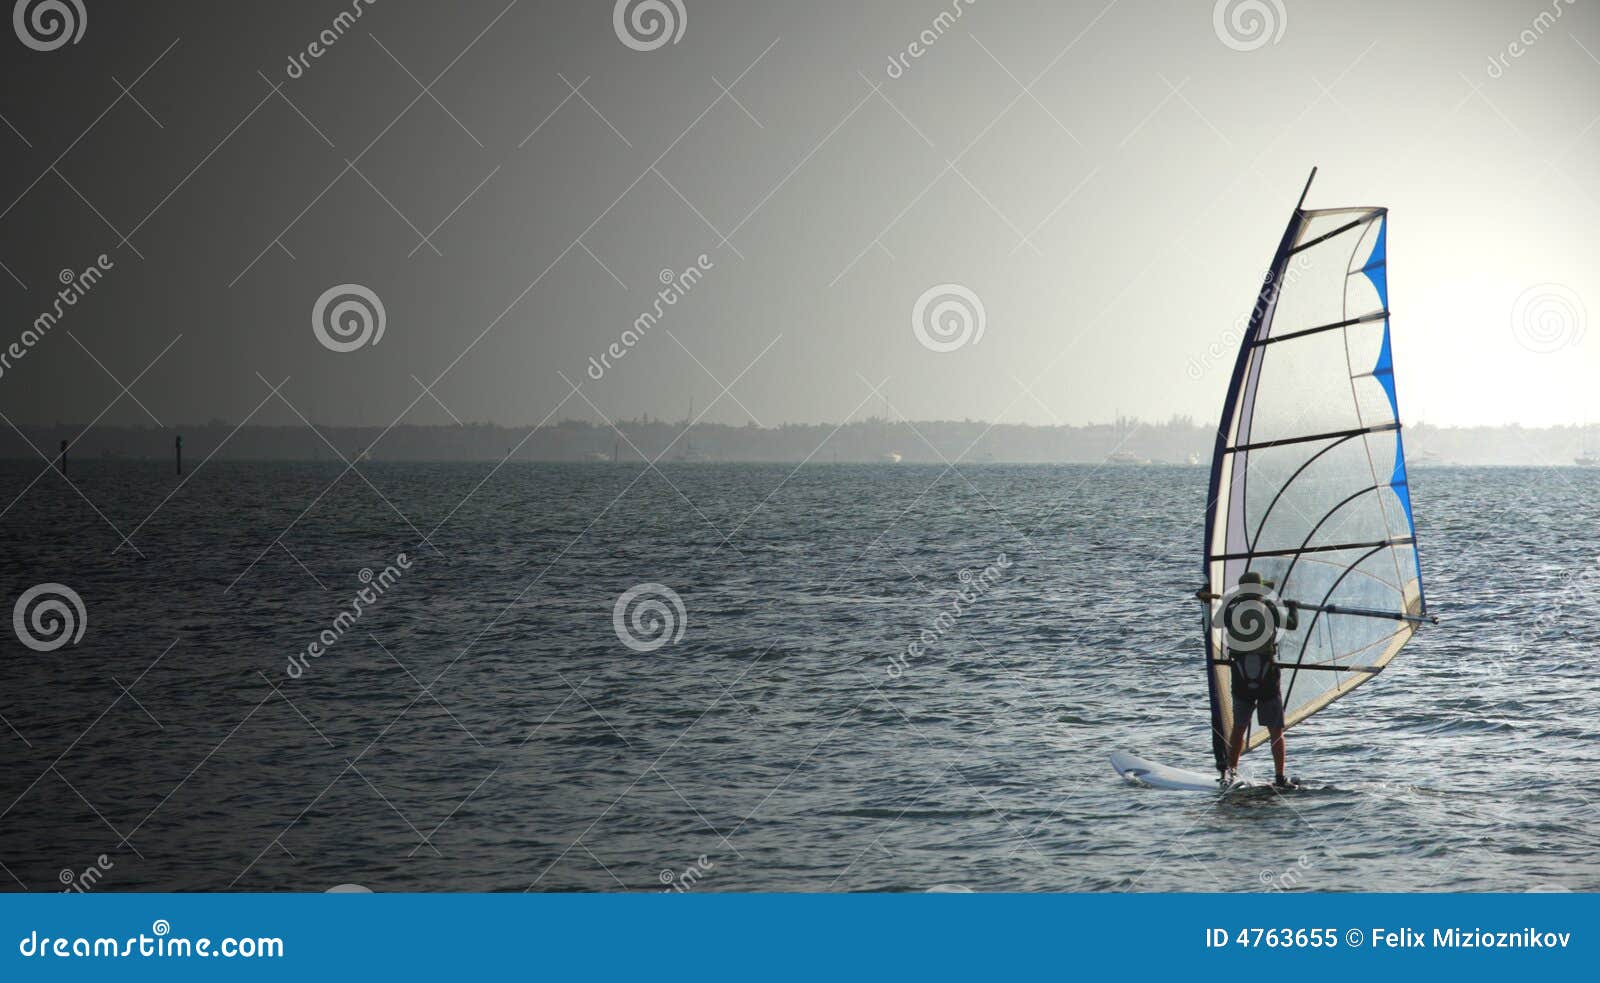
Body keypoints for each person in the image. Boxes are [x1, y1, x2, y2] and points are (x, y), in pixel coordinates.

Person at [1205, 571, 1299, 789]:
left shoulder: (1231, 610)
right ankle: (1279, 777)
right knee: (1275, 730)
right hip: (1267, 676)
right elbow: (1292, 624)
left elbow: (1217, 622)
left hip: (1241, 676)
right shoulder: (1269, 609)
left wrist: (1227, 602)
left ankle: (1231, 772)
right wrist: (1292, 606)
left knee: (1239, 726)